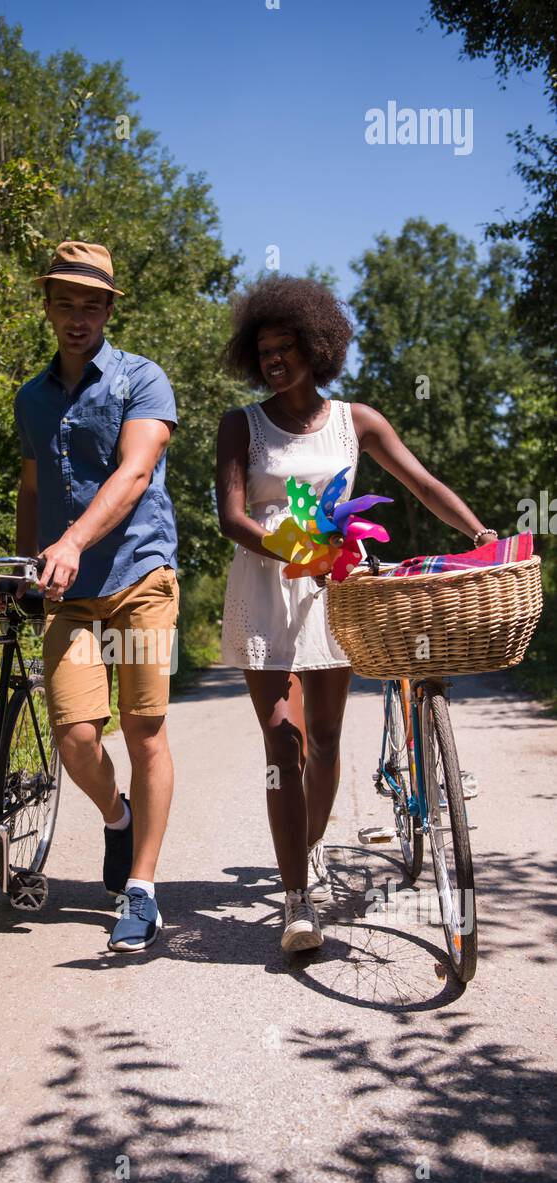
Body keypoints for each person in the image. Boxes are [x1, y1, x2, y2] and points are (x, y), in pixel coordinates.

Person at [215, 275, 498, 953]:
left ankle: (306, 848)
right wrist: (299, 548)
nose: (274, 359)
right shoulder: (240, 424)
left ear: (317, 347)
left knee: (327, 736)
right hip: (265, 588)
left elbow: (422, 483)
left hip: (332, 592)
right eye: (263, 350)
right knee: (282, 744)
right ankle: (294, 898)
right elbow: (231, 517)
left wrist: (482, 536)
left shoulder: (355, 420)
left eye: (286, 346)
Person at [0, 241, 180, 952]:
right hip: (67, 595)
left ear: (108, 309)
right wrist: (22, 561)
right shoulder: (31, 398)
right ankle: (116, 816)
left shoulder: (142, 380)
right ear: (47, 307)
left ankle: (141, 890)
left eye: (91, 303)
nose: (78, 316)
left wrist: (70, 543)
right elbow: (34, 484)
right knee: (75, 737)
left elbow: (134, 474)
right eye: (64, 302)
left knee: (143, 731)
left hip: (136, 579)